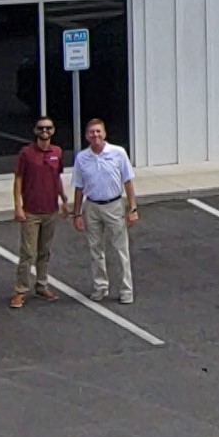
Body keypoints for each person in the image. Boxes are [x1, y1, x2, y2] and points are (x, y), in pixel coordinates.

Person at [69, 116, 138, 305]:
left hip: (114, 205)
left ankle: (126, 290)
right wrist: (77, 213)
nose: (95, 135)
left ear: (105, 133)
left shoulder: (118, 153)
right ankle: (100, 287)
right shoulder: (82, 158)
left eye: (99, 131)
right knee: (95, 249)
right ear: (86, 136)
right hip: (91, 207)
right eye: (92, 132)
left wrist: (132, 208)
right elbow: (78, 187)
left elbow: (128, 181)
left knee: (121, 250)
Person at [10, 116, 64, 309]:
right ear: (35, 131)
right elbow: (18, 179)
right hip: (31, 211)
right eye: (41, 128)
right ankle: (20, 291)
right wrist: (18, 206)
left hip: (51, 210)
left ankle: (41, 286)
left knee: (45, 251)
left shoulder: (57, 152)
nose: (45, 132)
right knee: (28, 253)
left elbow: (57, 178)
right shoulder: (26, 153)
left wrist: (64, 200)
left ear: (53, 131)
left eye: (48, 128)